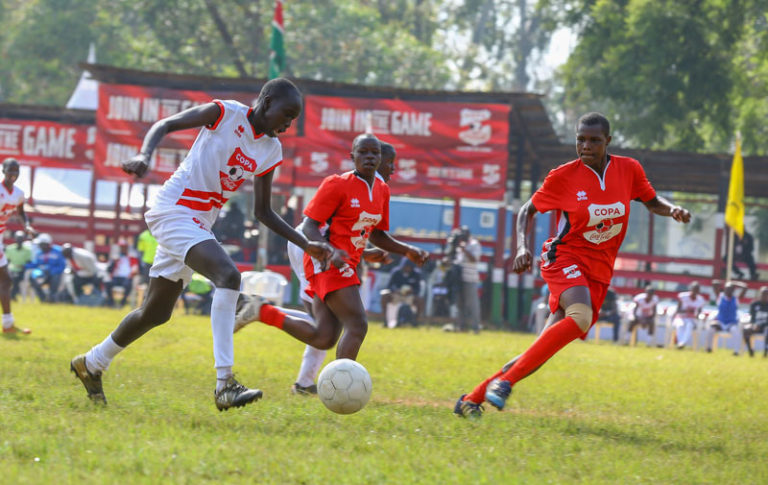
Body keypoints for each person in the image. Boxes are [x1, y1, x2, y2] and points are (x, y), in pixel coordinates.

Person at [69, 78, 332, 410]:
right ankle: (225, 384)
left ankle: (91, 363)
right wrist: (144, 154)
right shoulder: (223, 113)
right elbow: (166, 124)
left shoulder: (270, 149)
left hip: (198, 223)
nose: (289, 123)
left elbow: (263, 211)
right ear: (266, 103)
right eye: (287, 113)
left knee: (155, 312)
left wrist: (305, 243)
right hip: (174, 210)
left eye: (294, 118)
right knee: (229, 277)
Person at [454, 112, 691, 418]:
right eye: (581, 139)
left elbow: (651, 200)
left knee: (539, 353)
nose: (586, 146)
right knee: (580, 316)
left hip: (599, 271)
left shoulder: (629, 169)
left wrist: (673, 211)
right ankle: (504, 385)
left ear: (608, 141)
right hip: (564, 256)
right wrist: (522, 247)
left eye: (594, 140)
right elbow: (526, 210)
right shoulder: (563, 176)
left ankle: (471, 399)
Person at [234, 134, 428, 372]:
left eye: (374, 153)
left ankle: (261, 311)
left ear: (380, 157)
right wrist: (330, 252)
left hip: (345, 262)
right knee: (357, 325)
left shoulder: (382, 191)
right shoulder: (337, 184)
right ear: (352, 156)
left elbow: (376, 234)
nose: (369, 157)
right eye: (363, 152)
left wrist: (407, 250)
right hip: (327, 263)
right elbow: (309, 226)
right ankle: (341, 382)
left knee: (324, 337)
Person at [277, 141, 398, 395]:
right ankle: (321, 384)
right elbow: (332, 231)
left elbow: (350, 235)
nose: (393, 168)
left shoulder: (376, 188)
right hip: (311, 245)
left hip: (314, 245)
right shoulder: (362, 184)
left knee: (330, 323)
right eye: (390, 162)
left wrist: (365, 253)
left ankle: (306, 382)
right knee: (332, 322)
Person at [0, 158, 34, 334]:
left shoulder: (18, 193)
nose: (13, 174)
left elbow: (21, 212)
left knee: (5, 280)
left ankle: (7, 324)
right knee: (5, 280)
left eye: (16, 171)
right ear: (3, 171)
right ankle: (7, 324)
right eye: (10, 170)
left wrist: (26, 226)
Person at [704, 281, 747, 354]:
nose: (728, 290)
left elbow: (745, 287)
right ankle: (708, 348)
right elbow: (714, 283)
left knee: (736, 332)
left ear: (733, 290)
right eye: (727, 289)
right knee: (711, 329)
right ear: (724, 289)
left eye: (731, 289)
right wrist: (726, 282)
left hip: (731, 323)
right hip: (720, 322)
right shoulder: (720, 297)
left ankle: (736, 352)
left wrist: (734, 283)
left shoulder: (736, 299)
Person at [380, 258, 424, 328]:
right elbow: (389, 286)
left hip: (409, 296)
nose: (407, 268)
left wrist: (411, 291)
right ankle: (385, 321)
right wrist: (396, 290)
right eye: (405, 266)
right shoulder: (396, 272)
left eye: (409, 267)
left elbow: (418, 289)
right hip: (396, 295)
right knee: (384, 296)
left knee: (420, 300)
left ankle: (415, 321)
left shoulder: (416, 274)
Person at [27, 233, 66, 303]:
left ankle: (52, 297)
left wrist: (52, 271)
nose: (40, 246)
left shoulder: (58, 251)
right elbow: (36, 264)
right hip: (43, 274)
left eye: (42, 244)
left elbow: (62, 265)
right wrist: (25, 265)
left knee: (55, 277)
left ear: (48, 244)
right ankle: (43, 298)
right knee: (32, 277)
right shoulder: (39, 253)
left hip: (54, 274)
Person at [671, 282, 707, 349]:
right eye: (694, 289)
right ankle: (680, 343)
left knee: (689, 325)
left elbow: (699, 312)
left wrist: (696, 315)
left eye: (697, 289)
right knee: (680, 325)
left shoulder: (700, 300)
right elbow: (678, 310)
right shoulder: (683, 296)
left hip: (691, 319)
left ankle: (682, 343)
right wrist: (687, 311)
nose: (695, 291)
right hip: (680, 317)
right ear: (691, 289)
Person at [104, 243, 139, 308]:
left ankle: (123, 302)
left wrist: (132, 272)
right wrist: (113, 262)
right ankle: (110, 302)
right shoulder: (116, 258)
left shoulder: (132, 258)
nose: (123, 249)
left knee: (128, 285)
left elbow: (135, 268)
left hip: (126, 277)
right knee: (107, 283)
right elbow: (108, 269)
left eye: (124, 248)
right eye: (121, 248)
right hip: (116, 277)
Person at [6, 230, 32, 302]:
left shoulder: (27, 250)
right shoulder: (10, 248)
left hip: (22, 269)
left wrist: (23, 266)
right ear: (15, 239)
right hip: (11, 268)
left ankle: (12, 295)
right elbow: (7, 261)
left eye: (21, 238)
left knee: (16, 278)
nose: (19, 240)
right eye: (18, 238)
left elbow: (29, 262)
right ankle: (11, 295)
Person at [742, 286, 768, 357]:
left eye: (766, 294)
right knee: (746, 329)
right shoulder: (754, 304)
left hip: (765, 327)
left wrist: (762, 325)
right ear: (760, 294)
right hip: (755, 325)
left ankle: (765, 352)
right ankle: (750, 351)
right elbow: (752, 318)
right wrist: (754, 325)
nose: (765, 296)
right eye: (763, 294)